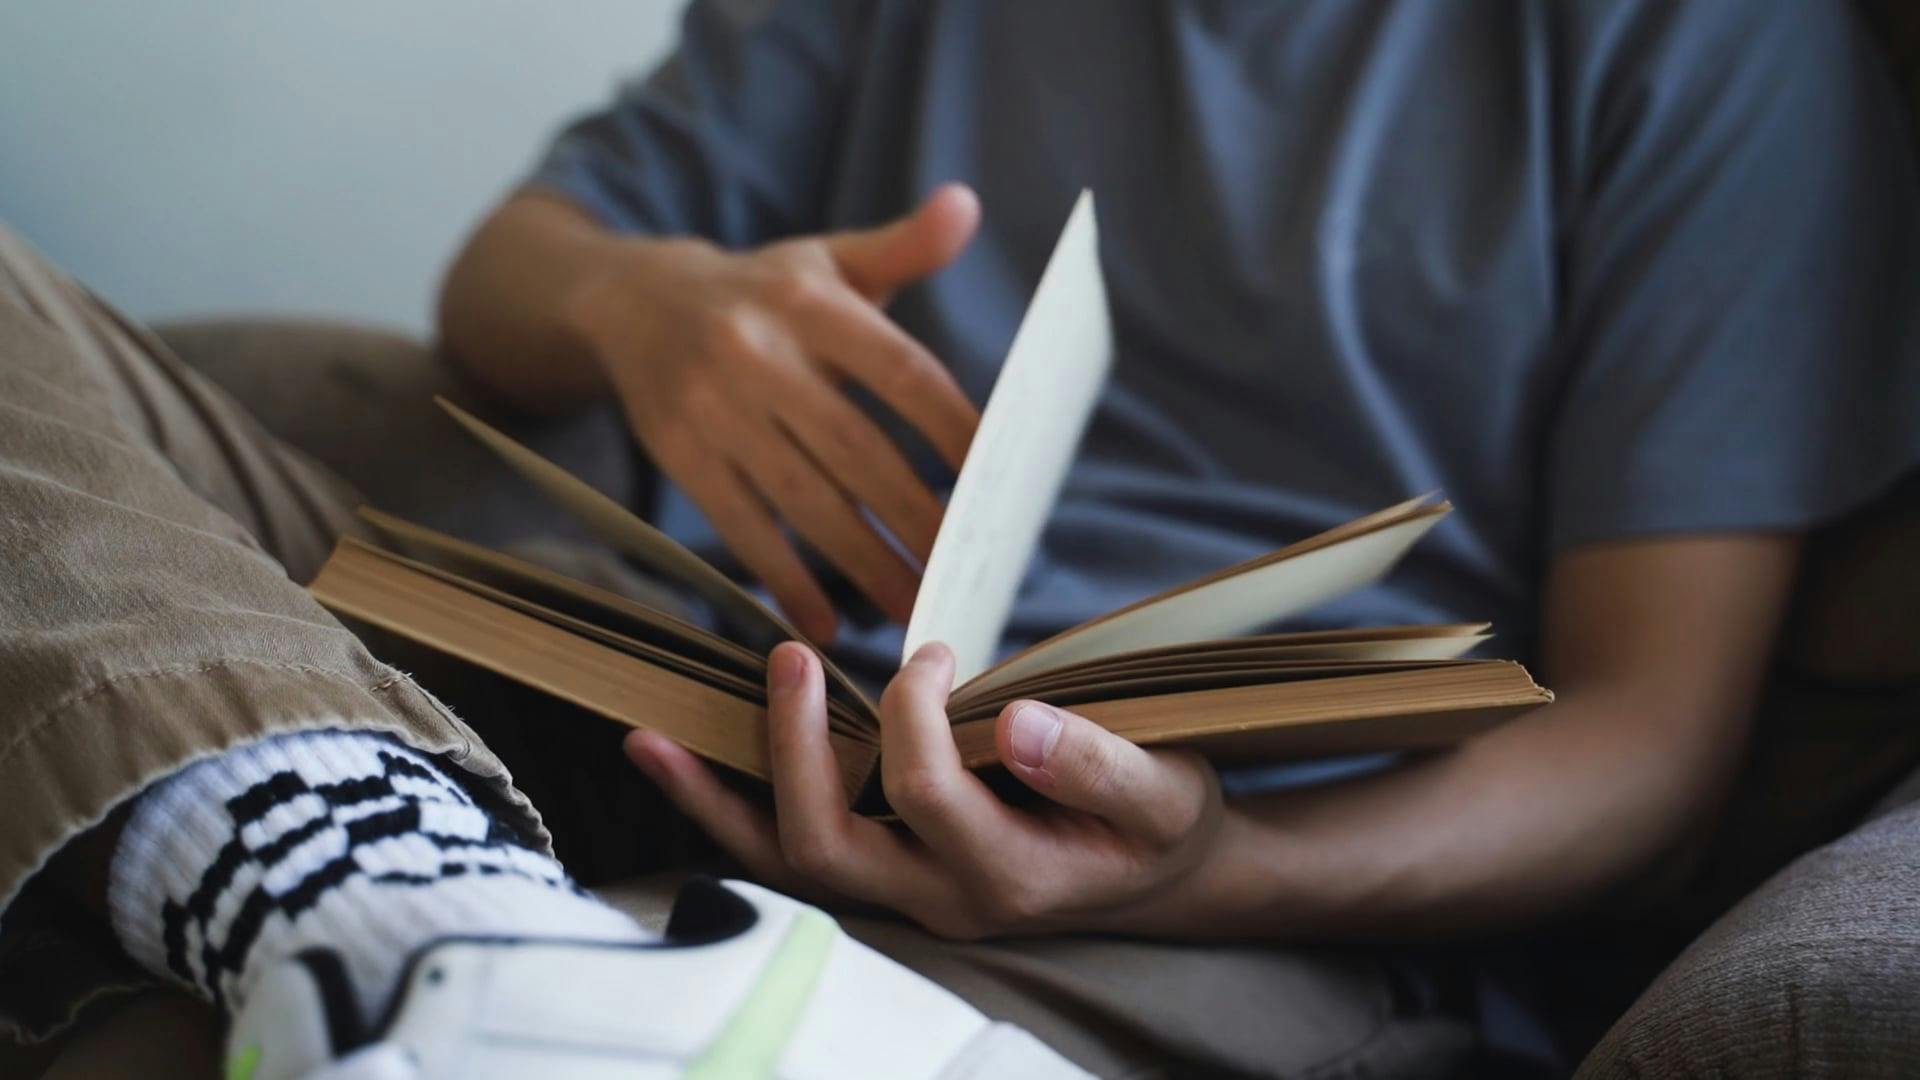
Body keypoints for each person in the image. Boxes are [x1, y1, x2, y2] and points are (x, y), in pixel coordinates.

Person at [4, 1, 1920, 1076]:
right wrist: (640, 304)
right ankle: (415, 899)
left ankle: (353, 890)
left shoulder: (1712, 50)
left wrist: (1217, 875)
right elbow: (505, 273)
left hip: (1186, 877)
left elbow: (1652, 739)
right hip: (607, 666)